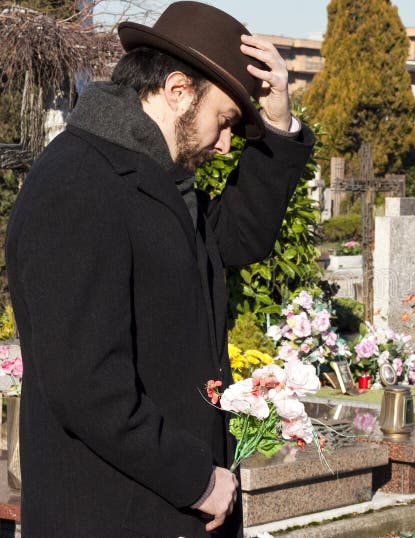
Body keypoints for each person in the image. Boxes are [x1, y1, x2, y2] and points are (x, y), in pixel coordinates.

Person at [4, 2, 314, 536]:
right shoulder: (80, 184)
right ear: (177, 90)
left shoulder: (156, 180)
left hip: (168, 506)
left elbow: (239, 239)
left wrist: (279, 123)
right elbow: (86, 383)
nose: (224, 146)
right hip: (113, 511)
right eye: (224, 123)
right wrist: (198, 480)